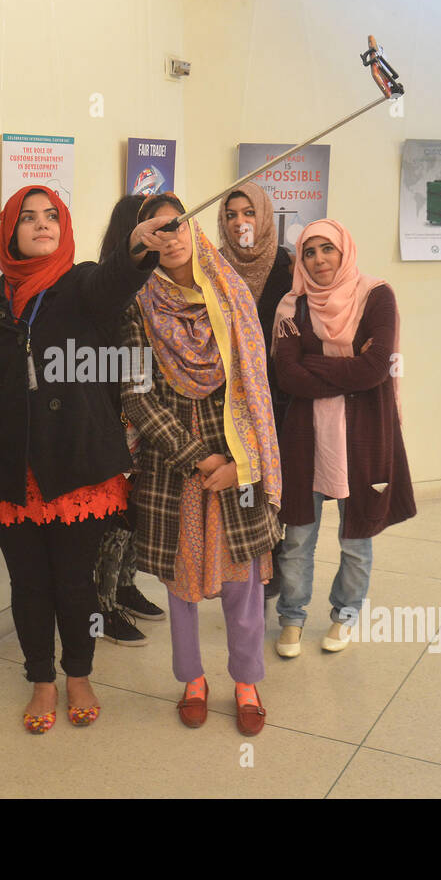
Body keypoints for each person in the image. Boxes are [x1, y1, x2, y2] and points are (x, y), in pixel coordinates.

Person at [0, 185, 158, 733]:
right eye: (28, 218)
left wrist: (137, 248)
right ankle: (42, 681)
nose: (42, 225)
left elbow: (114, 282)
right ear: (10, 231)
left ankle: (79, 675)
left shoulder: (81, 285)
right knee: (29, 585)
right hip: (10, 474)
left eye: (52, 216)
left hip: (76, 469)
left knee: (75, 582)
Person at [120, 193, 283, 736]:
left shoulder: (230, 291)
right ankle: (192, 679)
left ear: (192, 226)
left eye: (177, 224)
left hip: (237, 453)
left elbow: (256, 385)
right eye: (155, 231)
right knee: (182, 575)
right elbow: (137, 395)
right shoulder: (138, 302)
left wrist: (244, 463)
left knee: (244, 578)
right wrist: (196, 456)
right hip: (177, 461)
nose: (170, 237)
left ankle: (246, 680)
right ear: (143, 241)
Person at [270, 219, 416, 658]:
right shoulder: (291, 306)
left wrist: (316, 364)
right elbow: (287, 376)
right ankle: (292, 618)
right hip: (304, 436)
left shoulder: (376, 295)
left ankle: (345, 616)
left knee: (357, 538)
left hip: (366, 432)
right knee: (297, 536)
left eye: (326, 249)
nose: (318, 260)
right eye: (308, 252)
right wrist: (348, 369)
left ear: (344, 250)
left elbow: (375, 369)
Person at [92, 194, 166, 647]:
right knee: (113, 515)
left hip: (147, 418)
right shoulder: (107, 285)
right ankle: (101, 606)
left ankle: (123, 584)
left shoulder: (160, 282)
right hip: (118, 417)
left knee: (133, 513)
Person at [217, 182, 294, 598]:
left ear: (264, 216)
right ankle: (250, 570)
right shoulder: (213, 267)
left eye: (248, 213)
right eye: (231, 215)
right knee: (246, 483)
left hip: (284, 395)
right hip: (232, 397)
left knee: (279, 482)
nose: (240, 222)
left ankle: (279, 565)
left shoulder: (290, 265)